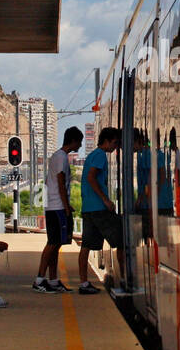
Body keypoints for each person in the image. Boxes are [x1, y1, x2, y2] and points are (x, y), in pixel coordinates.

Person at [35, 126, 83, 293]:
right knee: (53, 243)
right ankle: (40, 279)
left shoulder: (57, 156)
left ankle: (53, 280)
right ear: (73, 140)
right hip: (57, 206)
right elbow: (61, 183)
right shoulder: (61, 157)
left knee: (56, 244)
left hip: (55, 205)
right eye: (80, 141)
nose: (81, 145)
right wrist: (66, 207)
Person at [78, 127, 122, 295]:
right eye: (115, 143)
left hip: (88, 208)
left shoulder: (92, 155)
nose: (115, 147)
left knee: (86, 246)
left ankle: (83, 283)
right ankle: (124, 279)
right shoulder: (100, 156)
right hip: (98, 208)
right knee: (122, 238)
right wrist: (105, 199)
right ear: (108, 140)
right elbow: (91, 177)